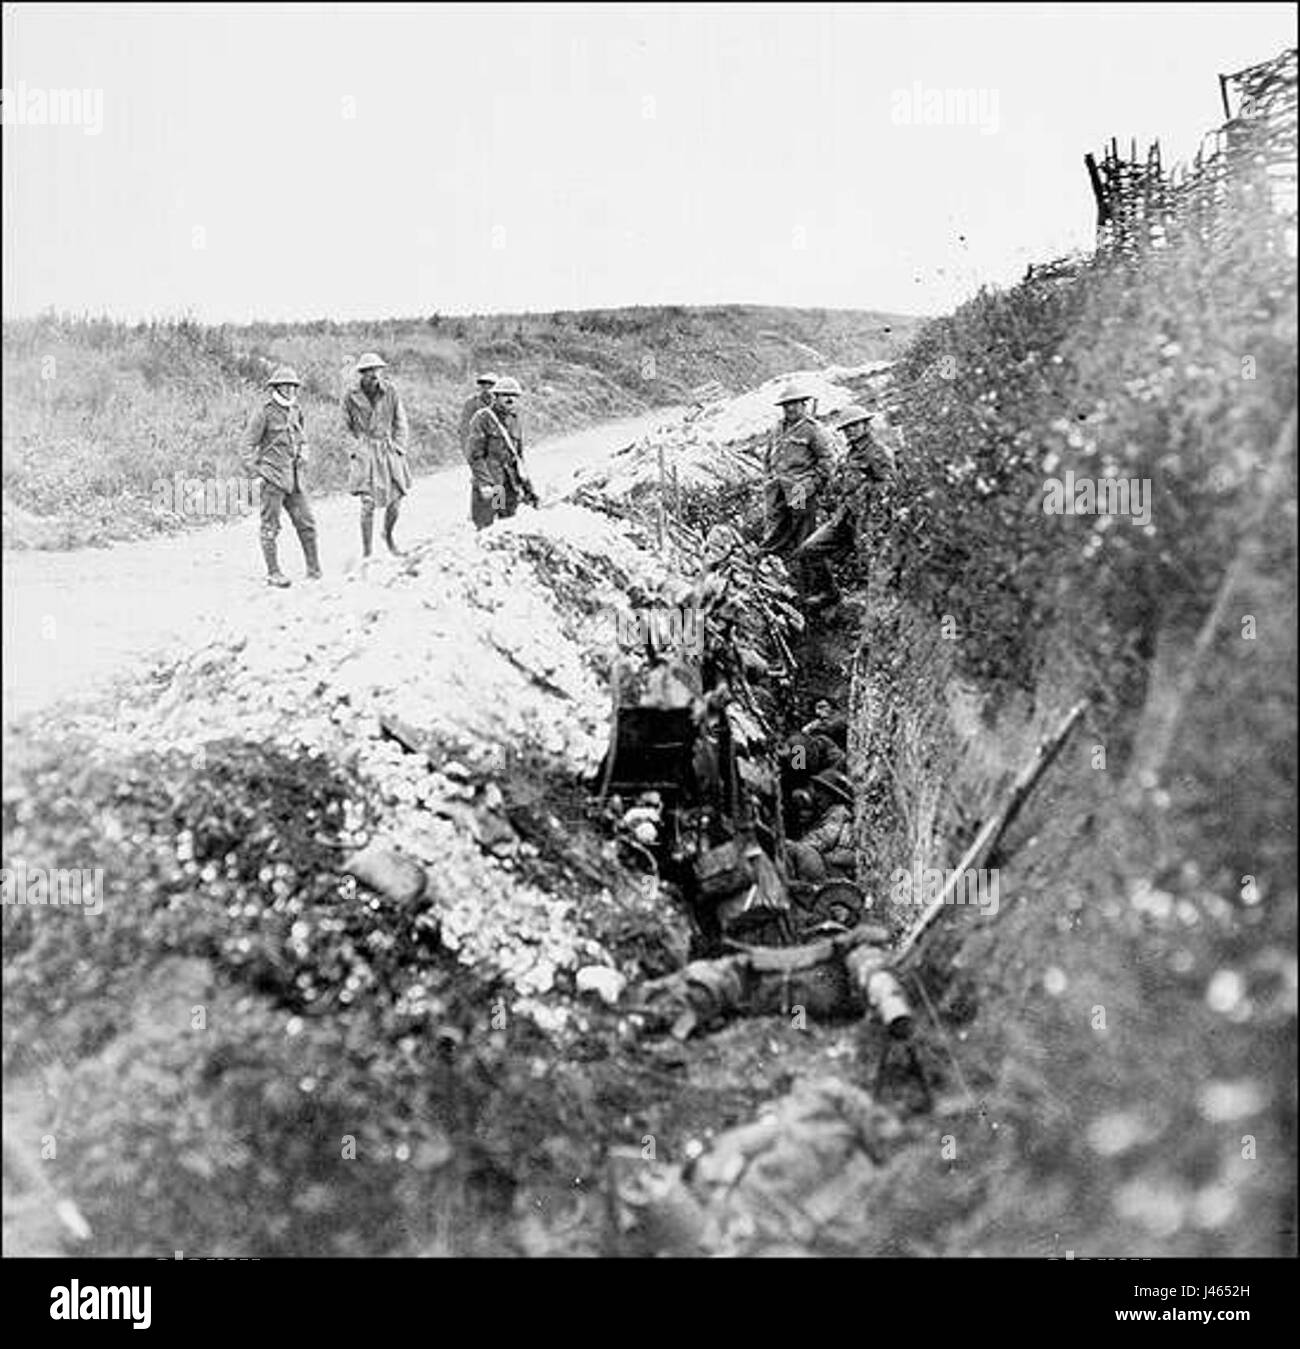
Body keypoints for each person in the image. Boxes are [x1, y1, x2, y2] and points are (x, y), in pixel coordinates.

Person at [796, 403, 889, 609]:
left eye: (855, 426)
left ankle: (881, 611)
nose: (850, 431)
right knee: (809, 549)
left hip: (869, 520)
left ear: (866, 425)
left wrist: (871, 513)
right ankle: (830, 593)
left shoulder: (877, 452)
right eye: (847, 428)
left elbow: (888, 486)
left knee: (874, 564)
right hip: (844, 516)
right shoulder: (852, 452)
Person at [240, 364, 320, 588]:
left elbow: (302, 438)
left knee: (307, 523)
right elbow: (246, 445)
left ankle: (314, 570)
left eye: (293, 386)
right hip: (272, 479)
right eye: (285, 386)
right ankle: (274, 573)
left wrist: (304, 451)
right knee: (270, 527)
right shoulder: (264, 412)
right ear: (276, 387)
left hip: (294, 479)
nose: (290, 390)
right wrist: (256, 473)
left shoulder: (296, 410)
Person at [760, 381, 835, 601]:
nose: (790, 409)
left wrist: (810, 485)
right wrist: (768, 477)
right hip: (777, 489)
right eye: (786, 405)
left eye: (794, 404)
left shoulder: (813, 430)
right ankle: (775, 584)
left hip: (799, 490)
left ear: (803, 404)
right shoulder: (777, 428)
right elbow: (768, 456)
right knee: (775, 533)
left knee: (804, 534)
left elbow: (827, 461)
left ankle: (812, 588)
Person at [342, 352, 412, 559]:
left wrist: (400, 447)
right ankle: (367, 552)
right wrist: (355, 449)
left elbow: (401, 421)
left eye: (377, 370)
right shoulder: (350, 395)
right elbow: (343, 427)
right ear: (361, 374)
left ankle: (388, 536)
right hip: (365, 451)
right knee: (368, 503)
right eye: (369, 371)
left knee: (396, 498)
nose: (374, 375)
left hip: (388, 449)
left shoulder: (390, 391)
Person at [465, 375, 537, 530]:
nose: (510, 399)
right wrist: (484, 483)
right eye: (505, 395)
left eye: (513, 396)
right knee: (486, 526)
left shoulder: (515, 419)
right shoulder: (483, 418)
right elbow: (475, 455)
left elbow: (518, 455)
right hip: (492, 482)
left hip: (509, 483)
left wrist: (527, 485)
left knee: (507, 525)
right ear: (496, 397)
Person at [785, 769, 856, 883]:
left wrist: (797, 845)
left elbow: (825, 838)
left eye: (823, 791)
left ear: (834, 796)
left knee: (799, 850)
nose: (817, 796)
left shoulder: (839, 812)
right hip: (834, 869)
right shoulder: (830, 814)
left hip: (836, 872)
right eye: (817, 790)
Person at [458, 371, 497, 456]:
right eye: (483, 385)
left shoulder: (502, 404)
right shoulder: (472, 403)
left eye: (490, 385)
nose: (487, 388)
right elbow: (465, 426)